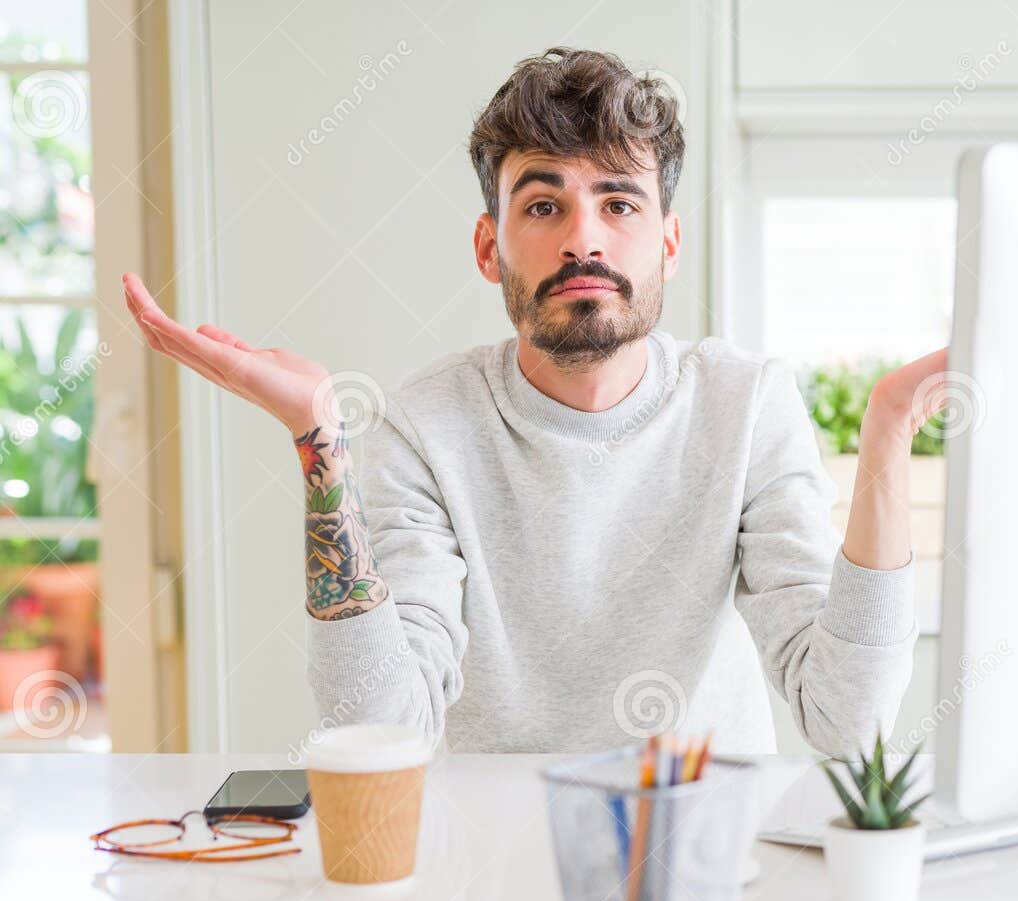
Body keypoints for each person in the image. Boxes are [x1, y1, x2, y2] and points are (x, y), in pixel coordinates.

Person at [124, 46, 947, 757]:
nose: (583, 238)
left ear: (668, 242)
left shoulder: (748, 405)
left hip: (700, 857)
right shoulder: (426, 427)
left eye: (619, 202)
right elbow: (380, 723)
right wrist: (319, 438)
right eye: (544, 205)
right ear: (491, 247)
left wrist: (886, 434)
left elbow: (849, 721)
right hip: (489, 870)